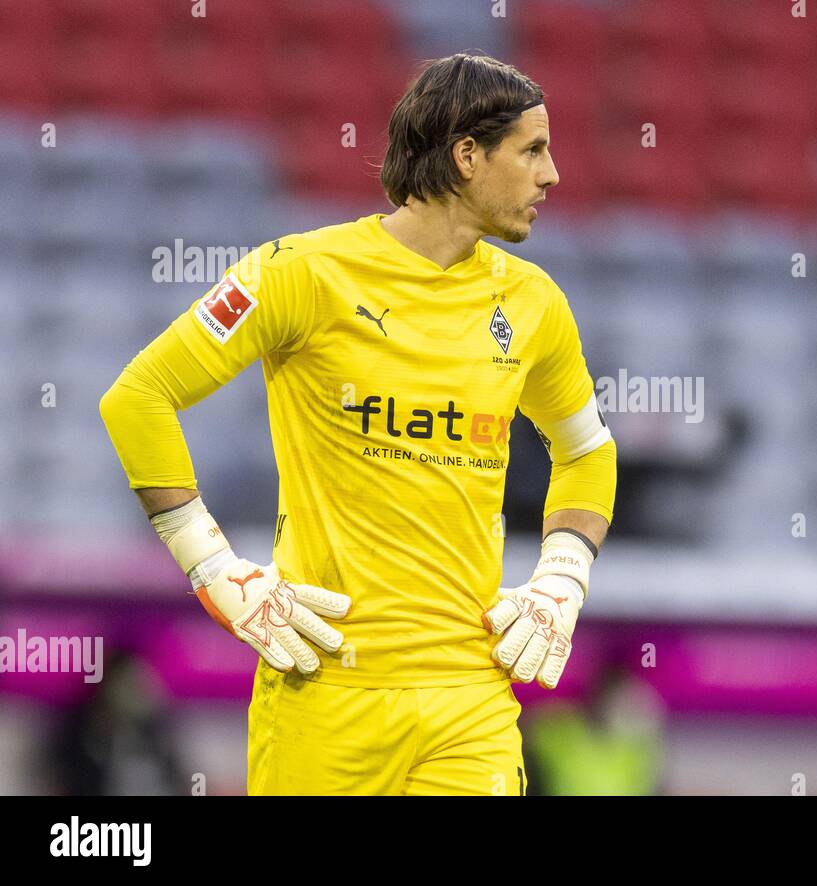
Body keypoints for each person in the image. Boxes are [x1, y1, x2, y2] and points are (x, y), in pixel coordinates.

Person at [99, 52, 617, 795]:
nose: (553, 175)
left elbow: (587, 453)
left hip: (471, 693)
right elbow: (138, 396)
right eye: (533, 150)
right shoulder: (300, 274)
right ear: (467, 155)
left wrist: (561, 580)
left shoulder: (535, 305)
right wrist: (213, 568)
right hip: (324, 688)